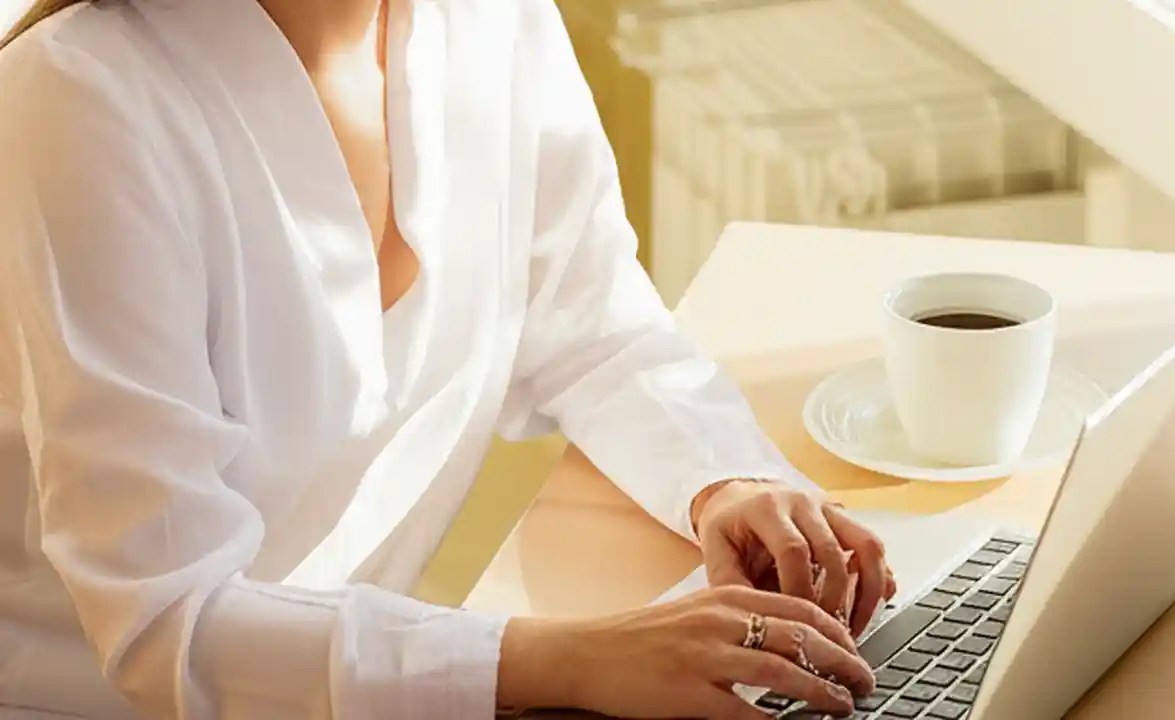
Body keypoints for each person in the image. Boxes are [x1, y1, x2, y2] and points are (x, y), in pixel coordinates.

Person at [0, 1, 895, 717]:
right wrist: (573, 657)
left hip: (371, 679)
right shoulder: (79, 96)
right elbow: (168, 626)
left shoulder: (492, 22)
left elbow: (593, 326)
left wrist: (722, 481)